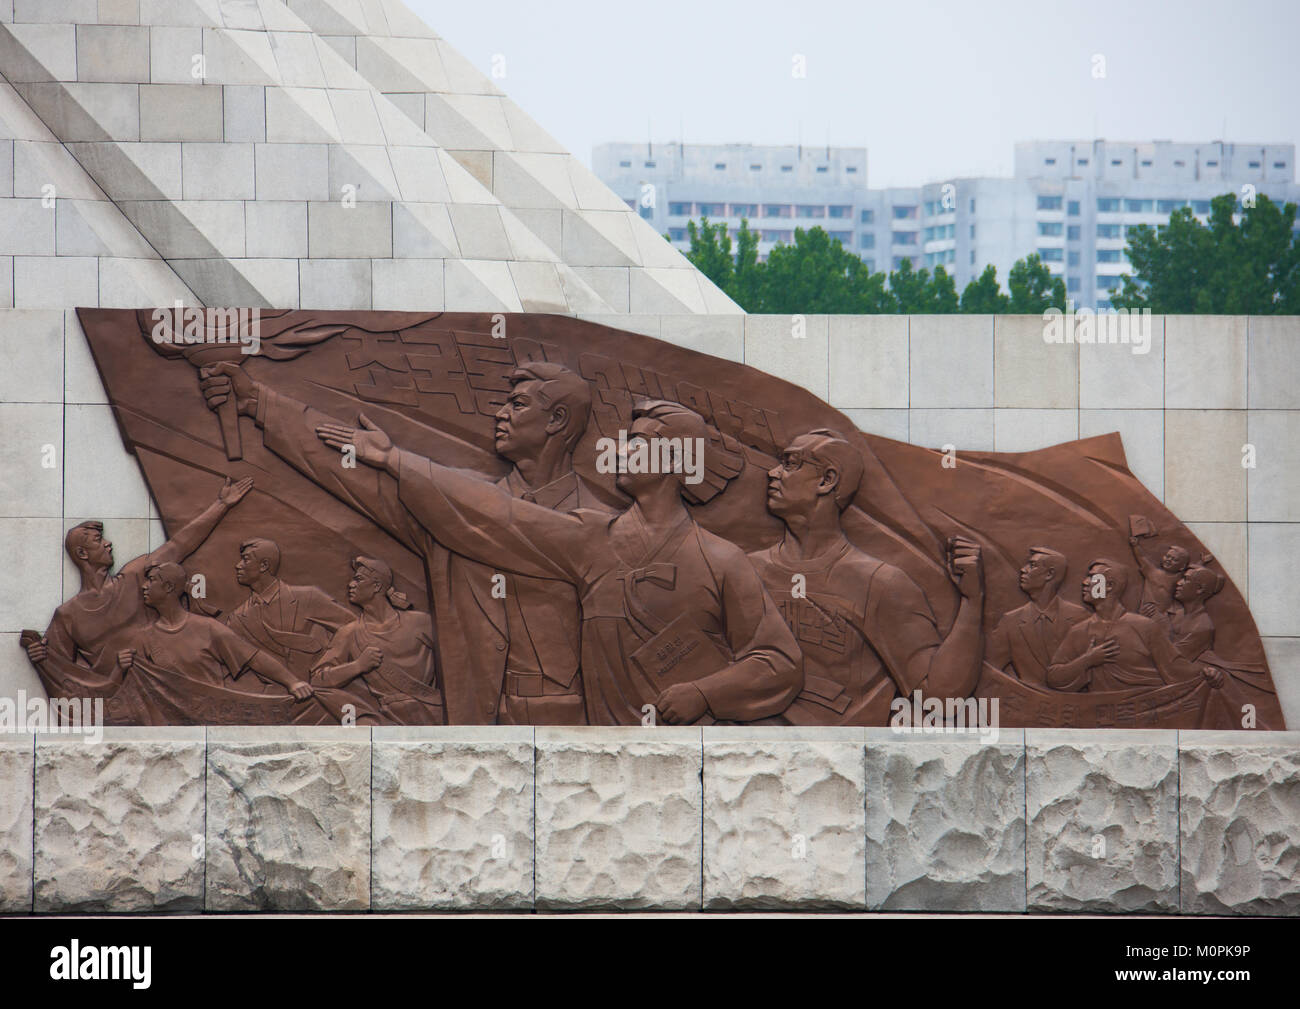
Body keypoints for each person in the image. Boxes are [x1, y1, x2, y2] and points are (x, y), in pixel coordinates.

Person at [313, 397, 803, 725]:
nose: (622, 450)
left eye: (641, 444)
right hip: (598, 757)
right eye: (625, 440)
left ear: (679, 461)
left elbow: (778, 661)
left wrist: (705, 692)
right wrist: (397, 461)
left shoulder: (723, 560)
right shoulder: (592, 537)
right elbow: (499, 514)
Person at [200, 360, 606, 725]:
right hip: (485, 719)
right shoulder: (448, 508)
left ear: (556, 419)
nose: (500, 414)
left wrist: (397, 460)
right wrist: (258, 402)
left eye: (517, 405)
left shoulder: (601, 525)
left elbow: (513, 523)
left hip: (574, 718)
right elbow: (352, 472)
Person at [747, 429, 985, 725]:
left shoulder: (880, 583)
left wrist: (972, 602)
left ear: (827, 480)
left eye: (791, 463)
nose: (773, 473)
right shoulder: (746, 571)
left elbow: (939, 698)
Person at [23, 477, 253, 703]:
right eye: (98, 540)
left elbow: (180, 545)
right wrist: (39, 658)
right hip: (119, 701)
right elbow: (63, 676)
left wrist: (221, 505)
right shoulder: (68, 615)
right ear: (82, 554)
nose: (108, 543)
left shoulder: (134, 579)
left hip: (166, 687)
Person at [119, 561, 313, 700]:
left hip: (211, 714)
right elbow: (133, 690)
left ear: (169, 587)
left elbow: (253, 658)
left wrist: (292, 682)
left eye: (151, 580)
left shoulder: (207, 628)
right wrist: (122, 669)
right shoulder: (143, 638)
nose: (144, 586)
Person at [1046, 558, 1222, 692]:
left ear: (1109, 586)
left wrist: (1207, 673)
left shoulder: (1145, 627)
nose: (1084, 582)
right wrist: (1088, 660)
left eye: (1092, 578)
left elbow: (1175, 667)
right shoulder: (1079, 631)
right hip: (1100, 711)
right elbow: (1054, 677)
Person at [309, 556, 443, 725]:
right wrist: (358, 666)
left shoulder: (420, 622)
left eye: (358, 579)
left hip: (431, 713)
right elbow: (317, 680)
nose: (351, 584)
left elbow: (455, 663)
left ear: (377, 586)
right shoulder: (350, 633)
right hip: (391, 719)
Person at [223, 537, 353, 691]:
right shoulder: (237, 619)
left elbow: (353, 627)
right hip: (274, 700)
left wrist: (329, 665)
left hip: (321, 694)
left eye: (246, 560)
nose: (238, 566)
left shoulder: (308, 597)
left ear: (264, 565)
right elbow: (236, 668)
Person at [985, 546, 1090, 687]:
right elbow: (990, 672)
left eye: (1032, 565)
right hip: (1026, 704)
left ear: (1049, 574)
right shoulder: (1010, 621)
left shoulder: (1080, 617)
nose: (1023, 569)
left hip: (1075, 705)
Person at [1128, 536, 1190, 618]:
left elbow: (1192, 577)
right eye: (1168, 556)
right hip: (1147, 611)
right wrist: (1135, 546)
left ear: (1182, 567)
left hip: (1164, 615)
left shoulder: (1179, 578)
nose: (1169, 560)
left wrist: (1201, 563)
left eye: (1174, 559)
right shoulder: (1153, 572)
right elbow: (1142, 558)